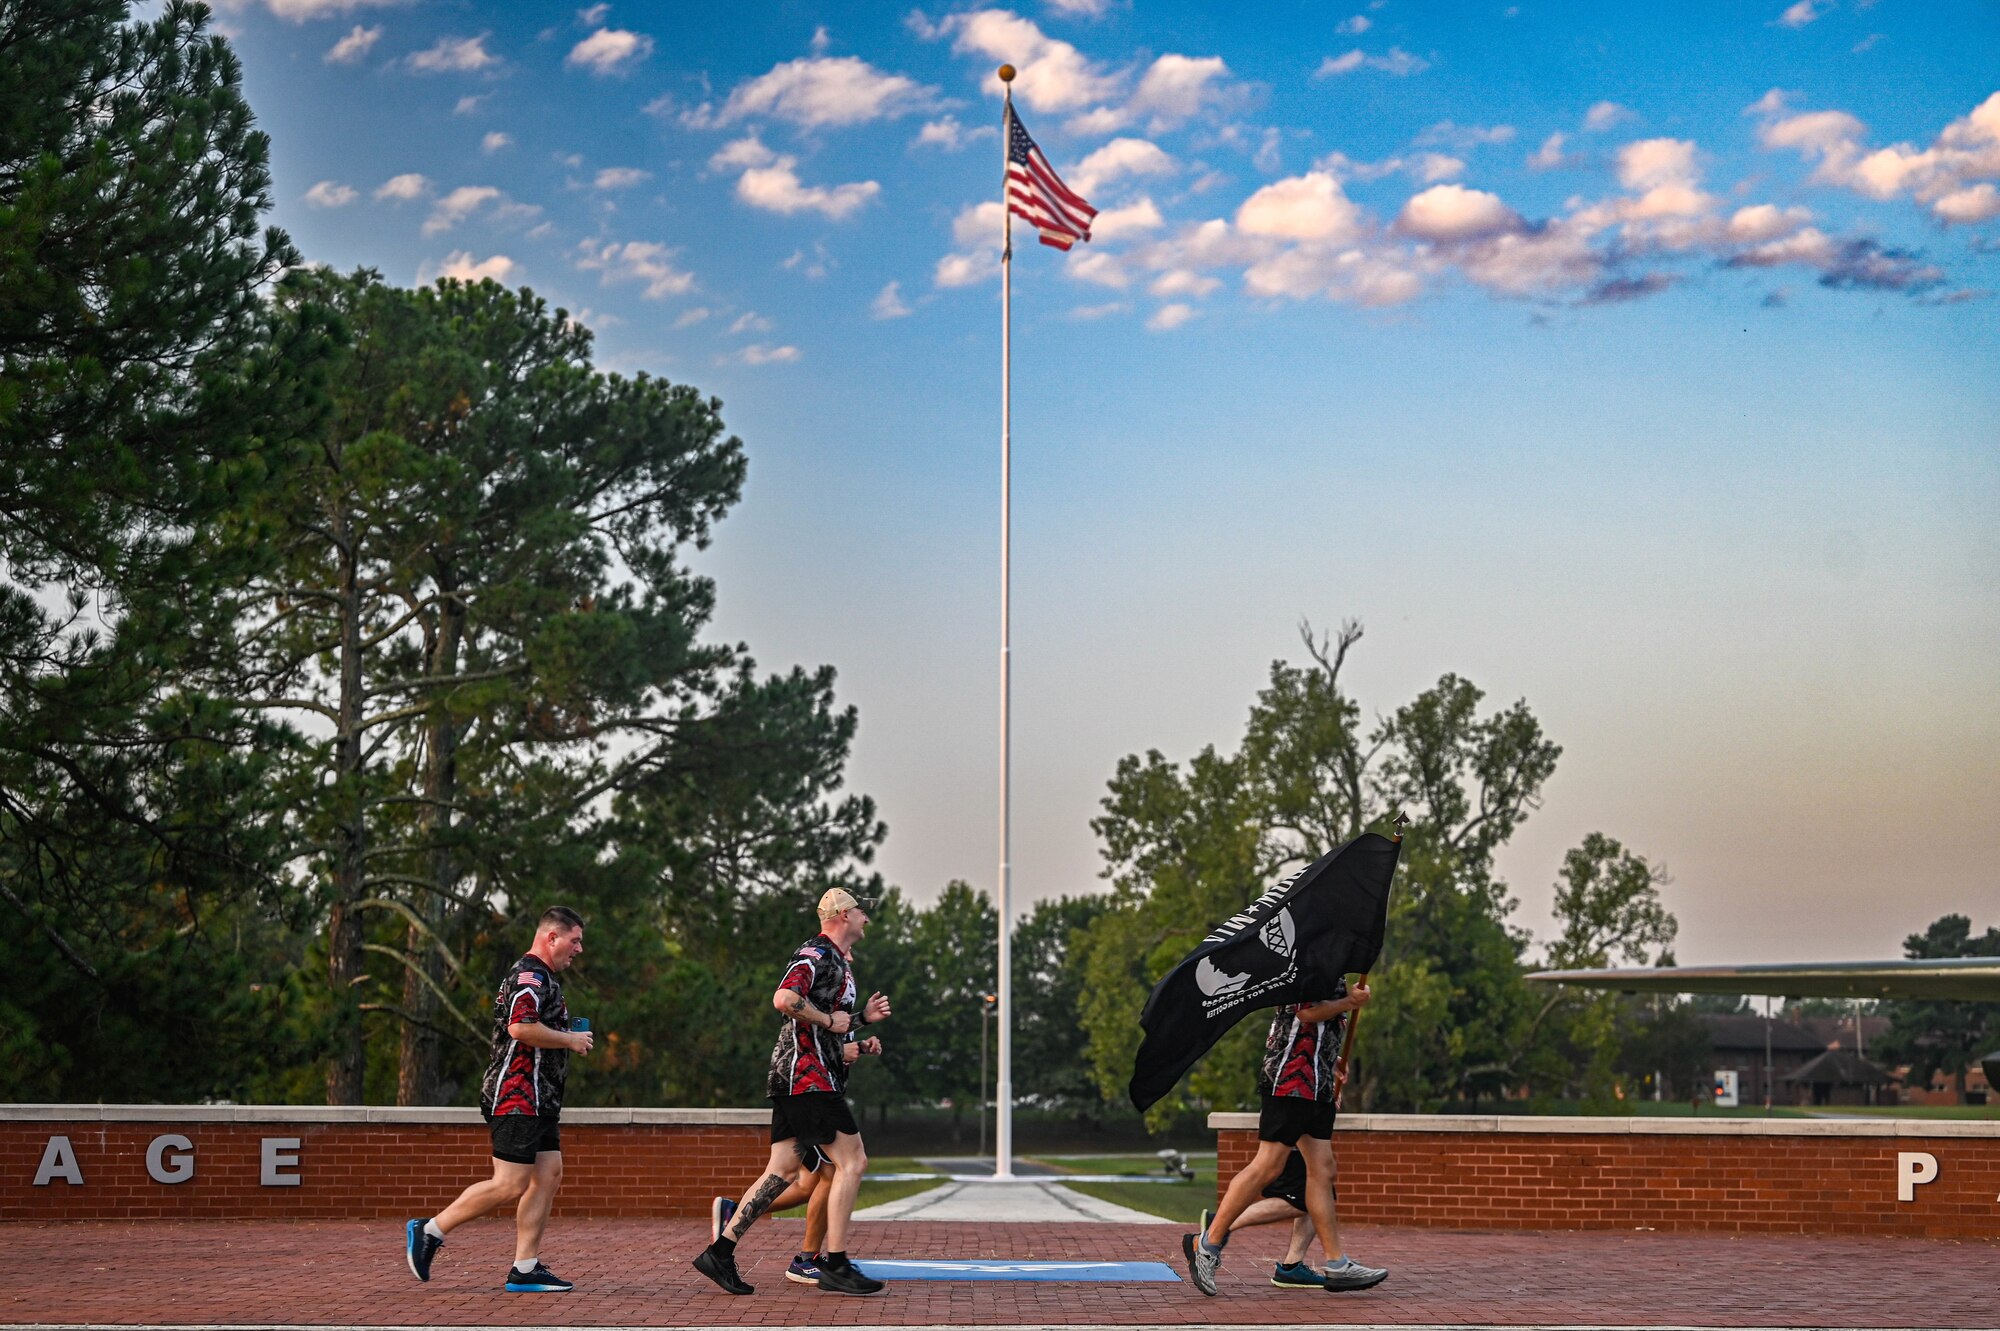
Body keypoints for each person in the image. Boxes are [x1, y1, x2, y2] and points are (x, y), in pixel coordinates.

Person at [693, 888, 891, 1297]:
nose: (866, 919)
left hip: (796, 1078)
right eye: (860, 911)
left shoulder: (836, 960)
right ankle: (833, 1263)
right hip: (808, 1079)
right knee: (852, 1163)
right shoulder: (817, 953)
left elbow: (828, 1024)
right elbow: (784, 998)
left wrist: (861, 1022)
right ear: (840, 915)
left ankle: (720, 1251)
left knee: (782, 1171)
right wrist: (831, 1021)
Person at [404, 905, 594, 1292]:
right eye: (574, 941)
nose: (578, 950)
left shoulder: (545, 979)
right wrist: (570, 1039)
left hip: (540, 1101)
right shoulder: (530, 976)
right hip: (516, 1096)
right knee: (510, 1183)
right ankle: (430, 1230)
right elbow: (520, 1027)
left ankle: (525, 1268)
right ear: (551, 937)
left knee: (548, 1174)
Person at [1182, 979, 1387, 1296]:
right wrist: (1349, 1002)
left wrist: (1330, 1067)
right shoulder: (1309, 960)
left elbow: (1318, 1031)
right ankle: (1207, 1244)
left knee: (1323, 1169)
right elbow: (1306, 1014)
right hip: (1290, 1081)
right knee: (1268, 1165)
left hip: (1317, 1086)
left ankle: (1337, 1265)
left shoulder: (1334, 969)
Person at [708, 1034, 881, 1285]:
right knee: (836, 1171)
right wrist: (839, 1049)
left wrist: (861, 1031)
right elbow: (795, 1015)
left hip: (801, 1086)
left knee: (794, 1177)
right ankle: (813, 1260)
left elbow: (817, 1027)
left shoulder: (834, 1001)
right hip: (808, 1089)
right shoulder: (810, 997)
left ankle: (726, 1237)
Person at [1198, 1149, 1341, 1288]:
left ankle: (1292, 1267)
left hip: (1303, 1144)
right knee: (1311, 1200)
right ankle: (1220, 1223)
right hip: (1295, 1141)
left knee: (1316, 1194)